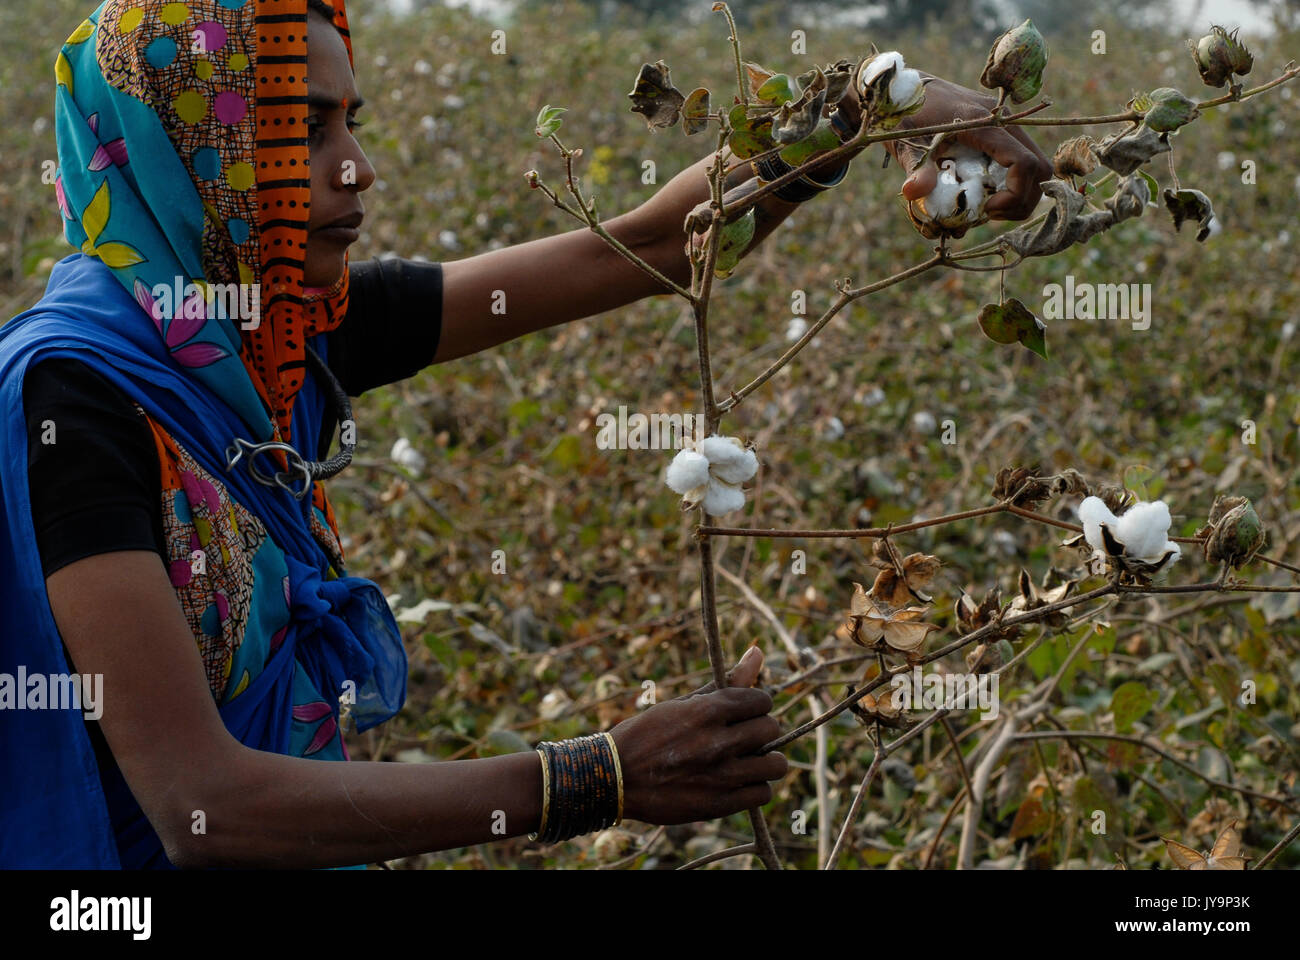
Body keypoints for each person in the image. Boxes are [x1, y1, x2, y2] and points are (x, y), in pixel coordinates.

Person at [0, 0, 1051, 868]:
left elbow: (642, 248)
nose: (356, 168)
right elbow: (201, 809)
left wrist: (870, 107)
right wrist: (593, 778)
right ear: (187, 150)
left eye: (350, 123)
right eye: (302, 132)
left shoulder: (275, 332)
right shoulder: (78, 406)